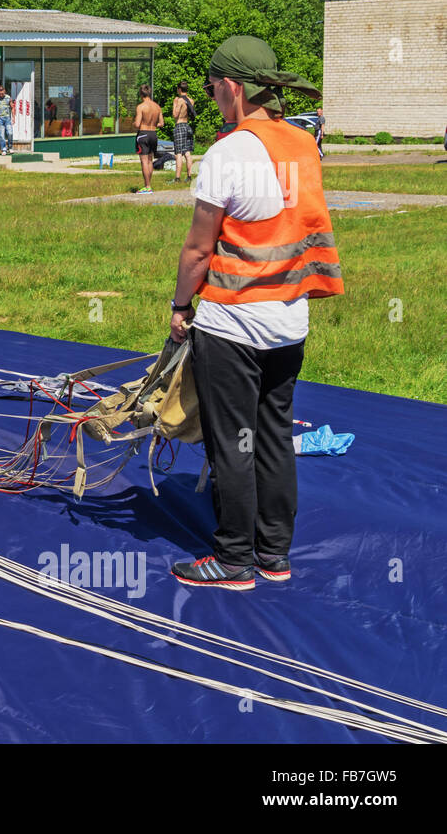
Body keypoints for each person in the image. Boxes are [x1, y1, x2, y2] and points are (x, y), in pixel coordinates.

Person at [167, 35, 342, 590]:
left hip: (233, 323)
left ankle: (234, 557)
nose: (213, 96)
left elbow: (198, 248)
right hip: (289, 322)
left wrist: (178, 306)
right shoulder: (302, 145)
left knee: (232, 442)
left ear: (235, 88)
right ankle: (274, 554)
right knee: (271, 436)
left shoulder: (228, 152)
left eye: (215, 86)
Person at [133, 85, 163, 194]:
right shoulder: (157, 107)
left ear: (141, 94)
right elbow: (161, 123)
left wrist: (134, 123)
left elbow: (137, 124)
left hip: (143, 134)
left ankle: (147, 186)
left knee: (144, 161)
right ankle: (148, 186)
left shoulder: (141, 107)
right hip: (153, 134)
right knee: (150, 160)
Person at [171, 82, 196, 183]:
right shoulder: (191, 101)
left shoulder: (179, 100)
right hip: (187, 126)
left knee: (179, 153)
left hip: (180, 126)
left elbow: (175, 115)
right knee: (187, 153)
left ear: (179, 89)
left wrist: (174, 104)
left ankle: (177, 178)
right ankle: (189, 177)